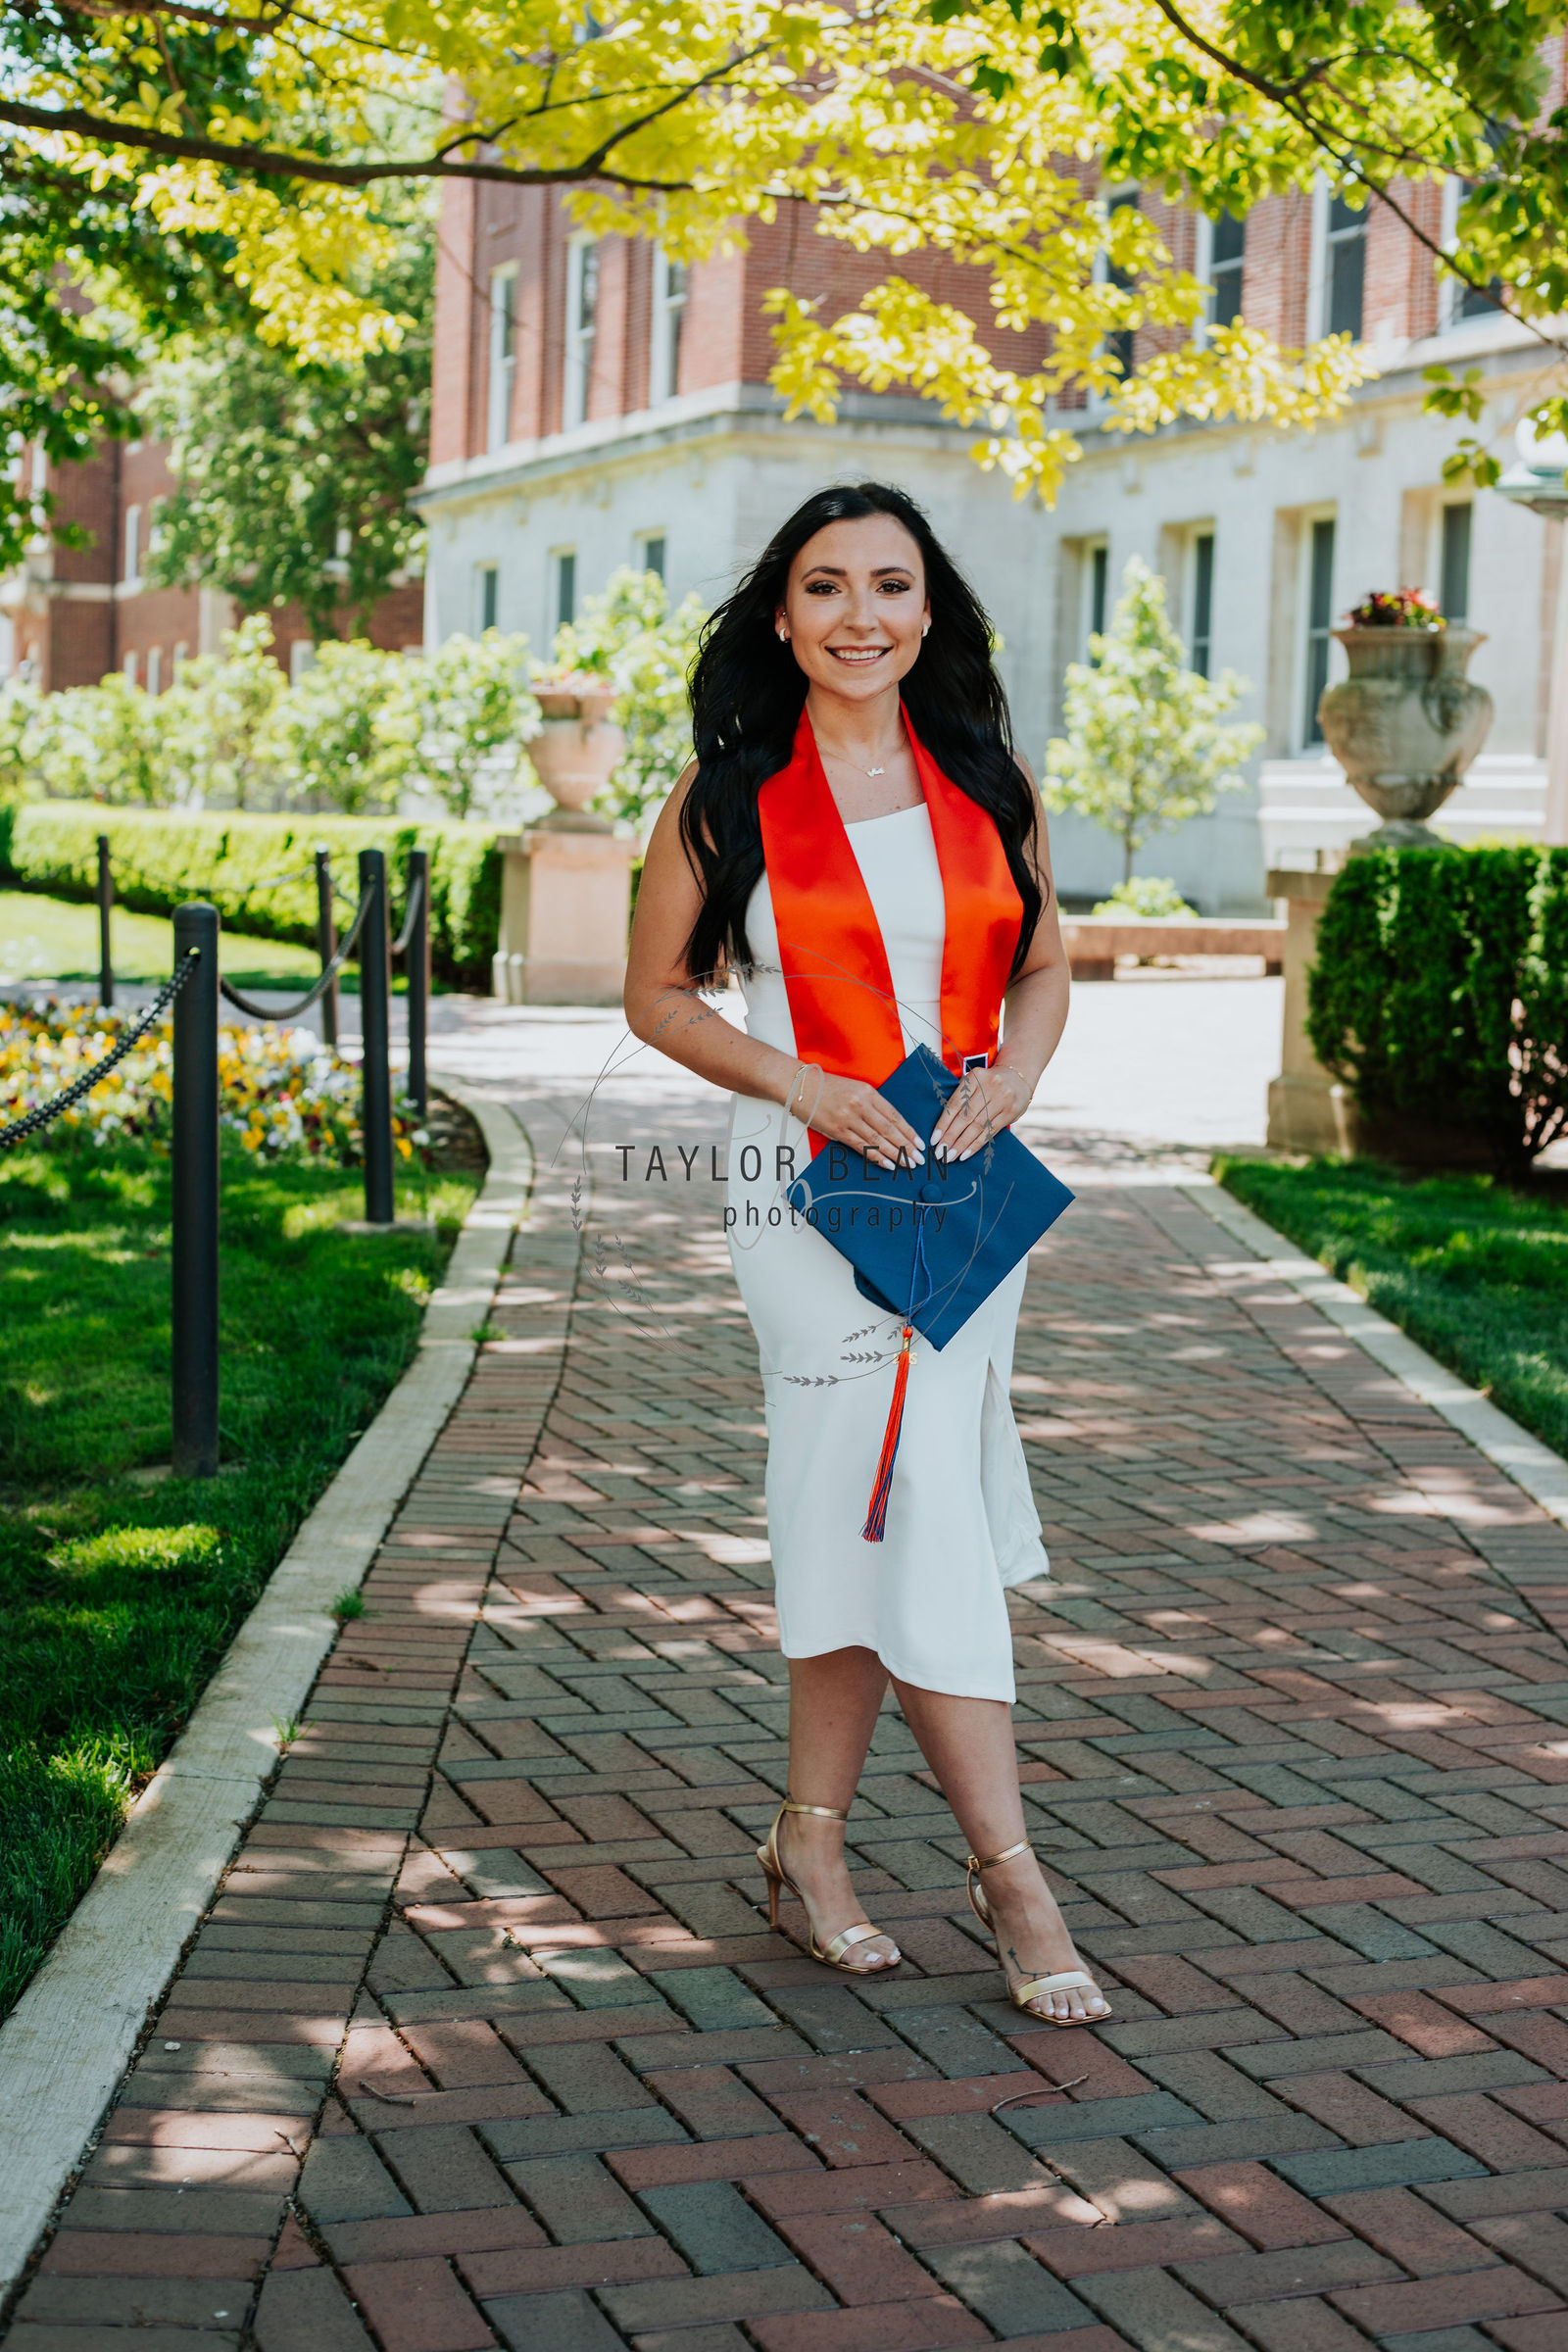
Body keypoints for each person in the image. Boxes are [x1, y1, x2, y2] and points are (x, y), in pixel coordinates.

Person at [624, 481, 1107, 2026]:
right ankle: (1011, 1873)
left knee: (876, 1509)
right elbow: (658, 995)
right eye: (825, 587)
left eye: (890, 586)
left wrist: (1018, 1074)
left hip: (959, 1187)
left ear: (930, 612)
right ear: (782, 613)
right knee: (921, 1510)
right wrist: (800, 1082)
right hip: (806, 1191)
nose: (860, 616)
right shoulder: (726, 800)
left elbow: (1044, 971)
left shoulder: (988, 784)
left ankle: (810, 1843)